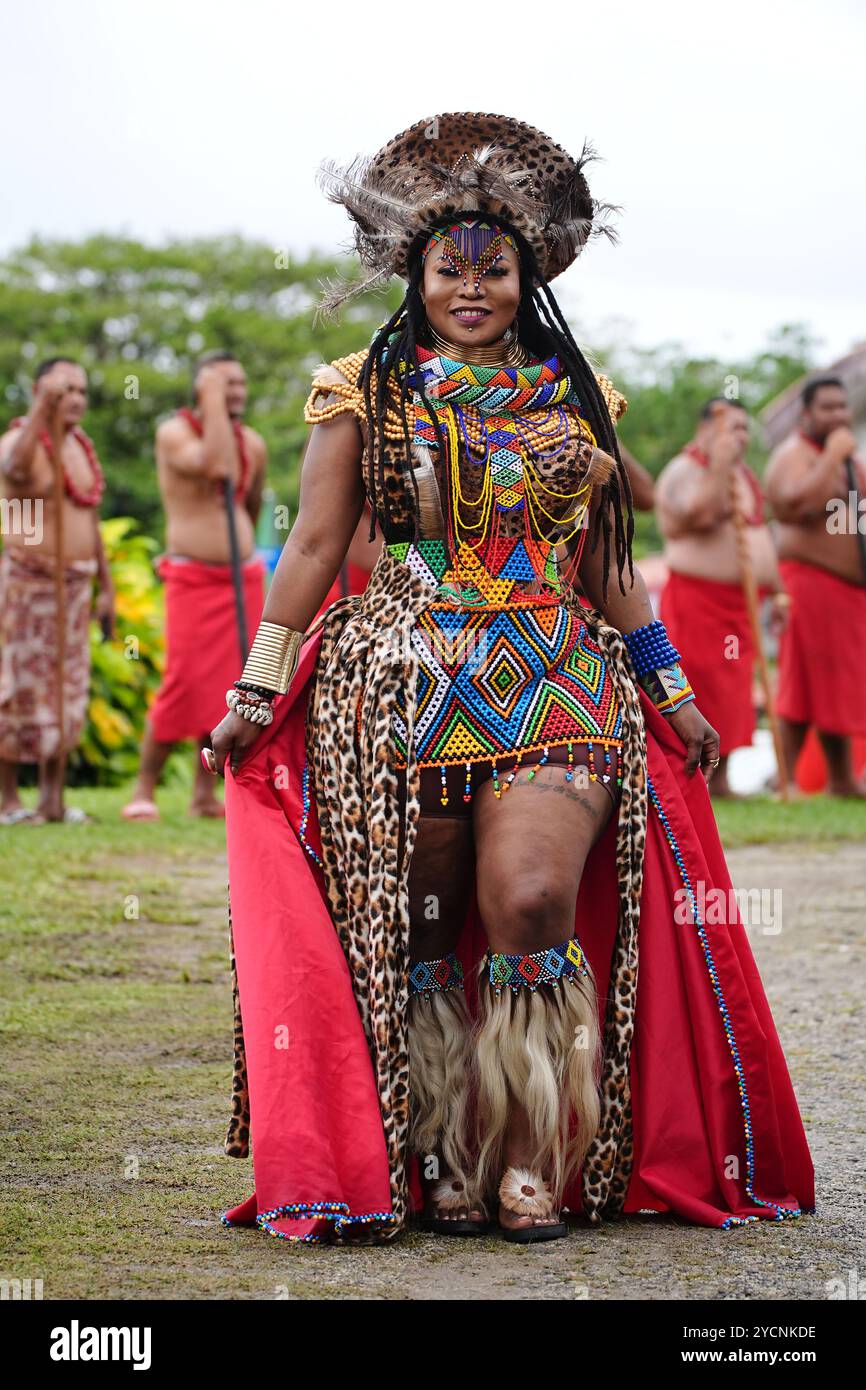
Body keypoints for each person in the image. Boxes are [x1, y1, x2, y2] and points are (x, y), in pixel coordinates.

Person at [208, 114, 813, 1245]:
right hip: (407, 680)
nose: (473, 286)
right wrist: (256, 688)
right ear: (417, 275)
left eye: (495, 268)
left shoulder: (573, 397)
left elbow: (610, 571)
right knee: (428, 929)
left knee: (531, 903)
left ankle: (534, 1154)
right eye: (451, 267)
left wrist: (673, 691)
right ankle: (438, 1145)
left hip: (555, 672)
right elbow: (311, 549)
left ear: (527, 277)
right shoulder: (363, 391)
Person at [122, 352, 267, 820]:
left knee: (231, 683)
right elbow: (215, 466)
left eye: (242, 383)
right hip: (192, 579)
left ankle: (206, 792)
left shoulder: (253, 443)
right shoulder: (175, 433)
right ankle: (144, 789)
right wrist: (211, 401)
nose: (237, 391)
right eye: (226, 383)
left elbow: (252, 503)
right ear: (202, 388)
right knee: (185, 681)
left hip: (240, 578)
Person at [0, 358, 114, 824]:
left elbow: (90, 520)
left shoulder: (80, 449)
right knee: (18, 689)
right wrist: (37, 412)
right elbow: (13, 468)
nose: (76, 400)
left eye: (81, 391)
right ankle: (8, 800)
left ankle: (53, 799)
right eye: (63, 390)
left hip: (76, 586)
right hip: (29, 585)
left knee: (66, 689)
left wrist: (106, 587)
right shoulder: (19, 441)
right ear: (39, 390)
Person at [656, 399, 787, 796]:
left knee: (732, 687)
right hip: (700, 600)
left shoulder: (742, 474)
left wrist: (778, 593)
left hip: (742, 605)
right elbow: (700, 516)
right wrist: (718, 464)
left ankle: (724, 777)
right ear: (705, 431)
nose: (741, 438)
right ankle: (702, 778)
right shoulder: (684, 470)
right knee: (704, 682)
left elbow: (759, 533)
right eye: (732, 428)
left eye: (744, 429)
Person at [766, 376, 866, 797]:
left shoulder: (847, 460)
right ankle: (786, 781)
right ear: (806, 414)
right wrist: (833, 458)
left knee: (830, 687)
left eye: (842, 406)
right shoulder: (796, 455)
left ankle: (840, 781)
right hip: (810, 583)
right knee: (807, 685)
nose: (839, 415)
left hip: (845, 592)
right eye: (828, 407)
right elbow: (792, 506)